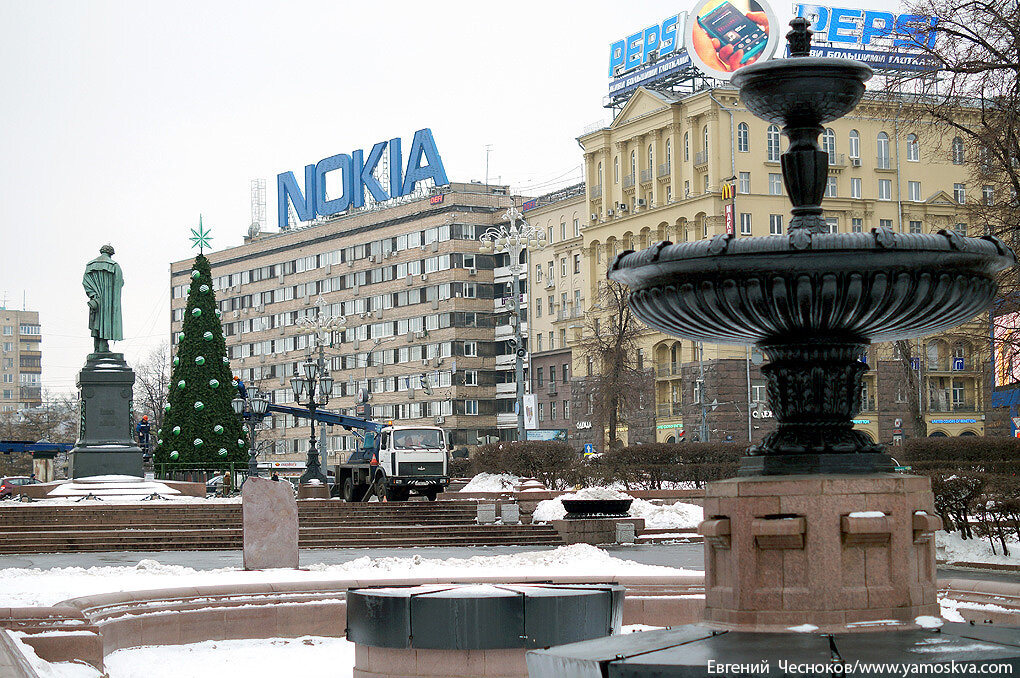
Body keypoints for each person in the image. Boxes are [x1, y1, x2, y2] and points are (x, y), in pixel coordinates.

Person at [82, 245, 124, 353]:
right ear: (111, 253)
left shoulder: (90, 265)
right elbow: (119, 283)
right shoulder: (114, 266)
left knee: (96, 322)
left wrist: (93, 294)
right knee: (106, 322)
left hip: (96, 300)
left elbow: (85, 282)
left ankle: (98, 347)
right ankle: (103, 347)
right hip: (109, 301)